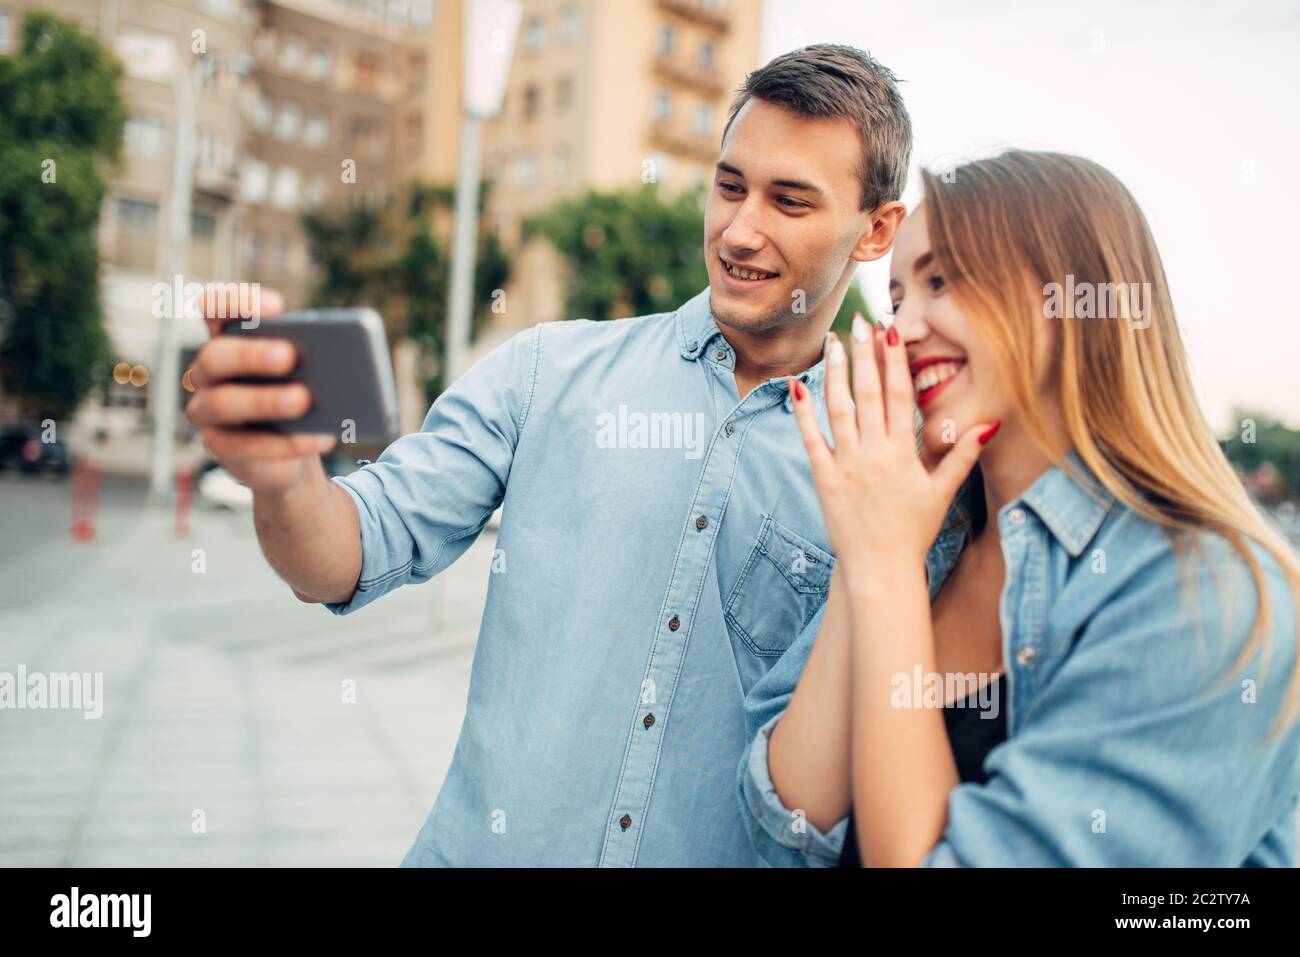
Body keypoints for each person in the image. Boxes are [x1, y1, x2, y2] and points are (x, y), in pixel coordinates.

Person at [183, 44, 909, 866]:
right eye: (730, 185)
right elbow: (340, 556)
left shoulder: (887, 471)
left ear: (879, 229)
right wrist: (284, 479)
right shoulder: (545, 372)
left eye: (790, 201)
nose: (740, 230)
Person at [739, 149, 1300, 867]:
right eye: (900, 298)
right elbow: (781, 823)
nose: (902, 331)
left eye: (944, 280)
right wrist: (875, 553)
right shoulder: (921, 535)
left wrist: (881, 563)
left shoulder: (1206, 593)